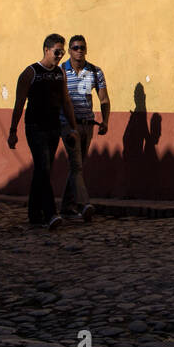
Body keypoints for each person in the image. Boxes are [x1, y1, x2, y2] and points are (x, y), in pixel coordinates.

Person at [7, 34, 78, 229]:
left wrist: (72, 127)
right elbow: (19, 103)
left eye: (62, 52)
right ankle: (50, 214)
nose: (59, 55)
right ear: (46, 50)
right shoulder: (30, 73)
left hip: (53, 128)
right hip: (35, 128)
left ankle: (34, 213)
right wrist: (13, 131)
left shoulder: (59, 73)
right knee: (43, 168)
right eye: (57, 51)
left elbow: (66, 101)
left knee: (42, 170)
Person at [59, 35, 109, 222]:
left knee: (77, 167)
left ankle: (66, 207)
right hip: (68, 125)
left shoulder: (95, 72)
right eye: (75, 47)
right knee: (76, 165)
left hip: (88, 125)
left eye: (82, 47)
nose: (79, 51)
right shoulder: (61, 71)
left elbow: (104, 99)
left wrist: (105, 121)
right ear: (69, 50)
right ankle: (84, 203)